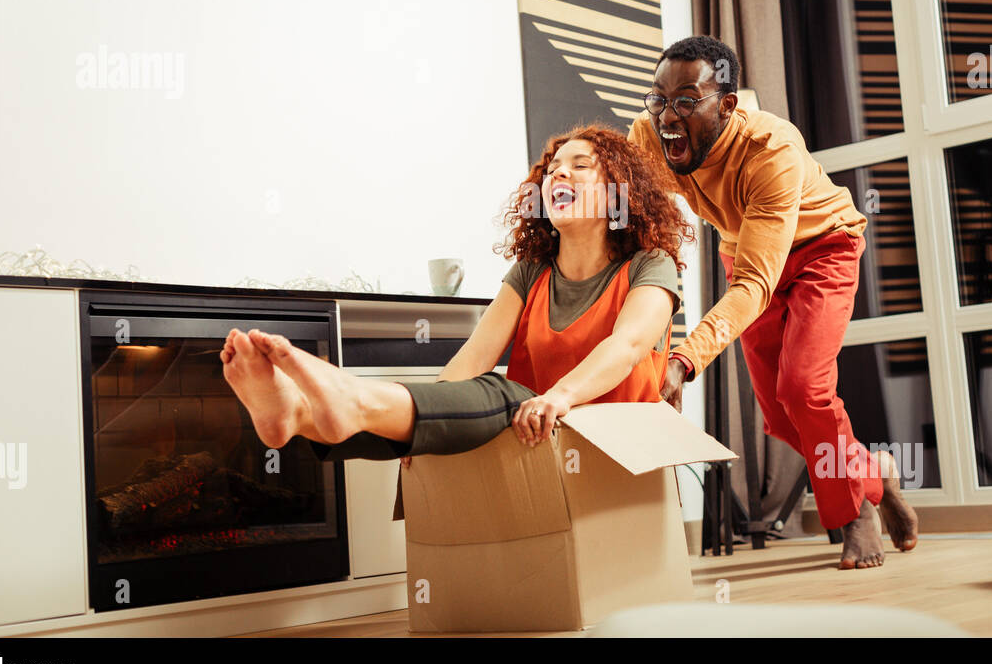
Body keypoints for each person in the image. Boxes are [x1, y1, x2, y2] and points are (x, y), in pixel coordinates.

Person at [221, 123, 695, 464]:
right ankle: (298, 415)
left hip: (609, 440)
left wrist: (559, 397)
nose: (558, 175)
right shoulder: (530, 272)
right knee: (485, 397)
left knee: (507, 396)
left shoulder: (650, 265)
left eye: (580, 166)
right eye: (552, 170)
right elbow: (473, 358)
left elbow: (627, 347)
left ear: (618, 192)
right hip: (537, 434)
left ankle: (354, 402)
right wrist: (416, 424)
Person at [627, 35, 919, 570]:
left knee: (804, 389)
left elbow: (753, 286)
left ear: (727, 105)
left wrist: (685, 359)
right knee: (783, 420)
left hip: (821, 247)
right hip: (746, 251)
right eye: (660, 98)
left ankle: (855, 511)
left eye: (687, 101)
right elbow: (634, 230)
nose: (668, 116)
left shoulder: (771, 149)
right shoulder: (648, 135)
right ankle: (873, 476)